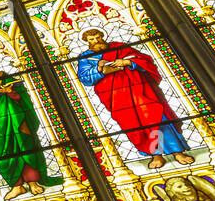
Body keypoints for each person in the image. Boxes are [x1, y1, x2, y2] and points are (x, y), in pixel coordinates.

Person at [75, 27, 196, 169]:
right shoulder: (86, 57)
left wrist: (127, 62)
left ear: (102, 36)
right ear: (86, 41)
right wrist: (99, 69)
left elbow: (144, 60)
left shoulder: (120, 47)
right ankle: (155, 155)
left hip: (141, 90)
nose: (96, 41)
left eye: (98, 37)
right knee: (135, 124)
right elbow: (85, 77)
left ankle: (177, 152)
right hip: (117, 97)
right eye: (91, 39)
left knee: (157, 117)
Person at [0, 55, 63, 200]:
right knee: (1, 155)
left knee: (25, 147)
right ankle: (17, 186)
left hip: (15, 117)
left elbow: (20, 94)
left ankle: (33, 182)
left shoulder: (3, 76)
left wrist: (9, 92)